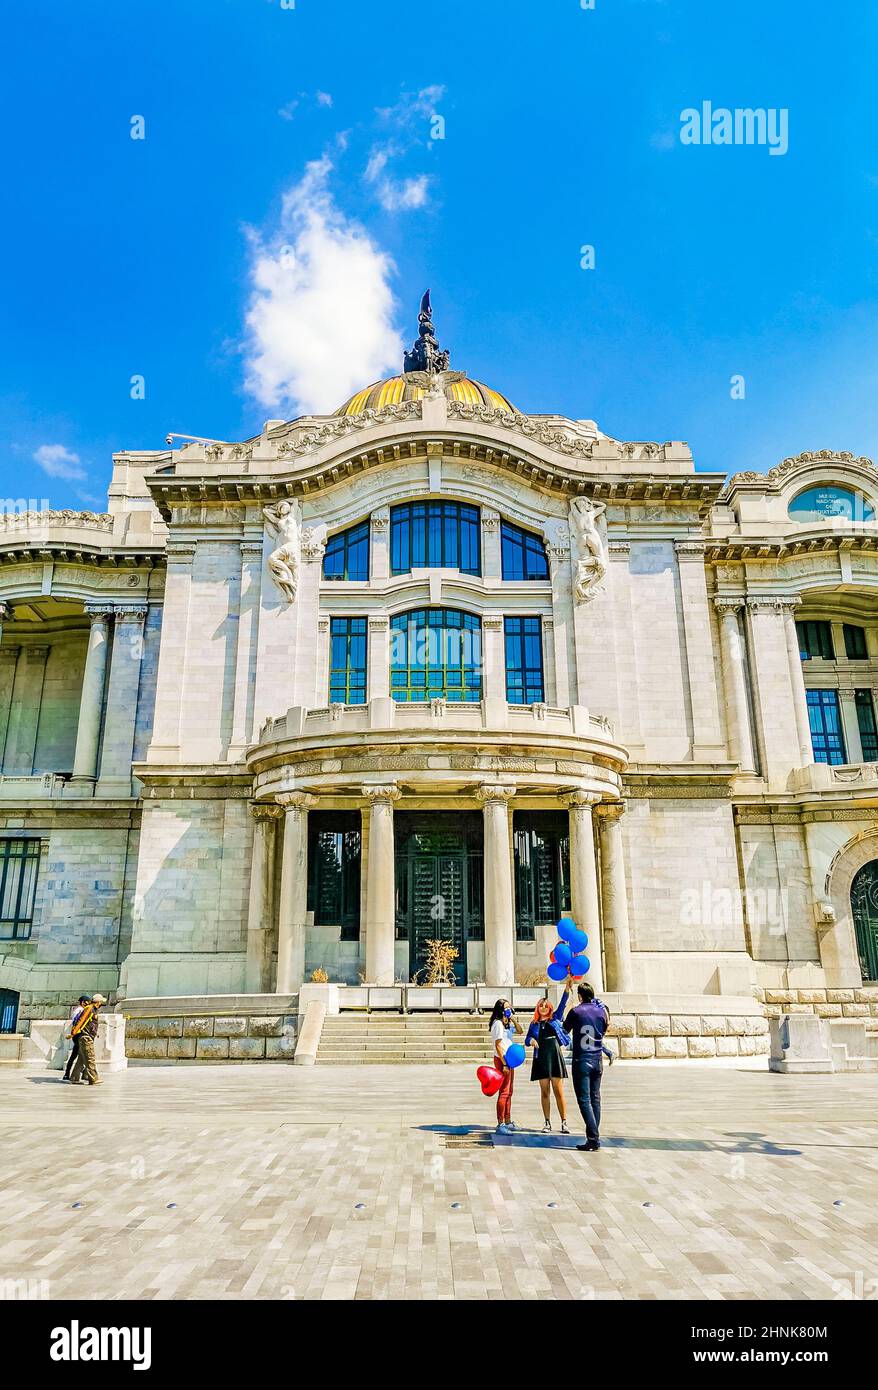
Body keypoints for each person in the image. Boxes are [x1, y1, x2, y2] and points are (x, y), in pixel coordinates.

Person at [564, 982, 610, 1151]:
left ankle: (593, 1137)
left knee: (584, 1100)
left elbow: (565, 1029)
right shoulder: (601, 1012)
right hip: (597, 1059)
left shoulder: (576, 1011)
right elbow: (605, 1028)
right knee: (595, 1098)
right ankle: (593, 1136)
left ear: (580, 996)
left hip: (581, 1059)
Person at [525, 976, 573, 1134]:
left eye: (545, 1006)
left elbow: (563, 1003)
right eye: (541, 1006)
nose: (543, 1008)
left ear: (550, 1008)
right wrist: (531, 1040)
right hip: (541, 1058)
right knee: (545, 1091)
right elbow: (527, 1038)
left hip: (554, 1056)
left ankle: (564, 1122)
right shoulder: (534, 1024)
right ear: (537, 1008)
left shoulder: (556, 1018)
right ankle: (547, 1122)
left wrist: (567, 987)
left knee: (558, 1091)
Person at [488, 998, 522, 1135]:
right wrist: (504, 1064)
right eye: (506, 1007)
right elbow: (498, 1044)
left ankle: (508, 1120)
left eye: (510, 1007)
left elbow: (520, 1031)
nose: (508, 1009)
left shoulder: (506, 1024)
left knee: (509, 1091)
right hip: (502, 1060)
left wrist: (512, 1018)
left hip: (510, 1059)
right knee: (504, 1092)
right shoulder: (497, 1024)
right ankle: (500, 1122)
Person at [69, 994, 106, 1086]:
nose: (101, 1004)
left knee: (81, 1059)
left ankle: (74, 1077)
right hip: (85, 1037)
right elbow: (81, 1020)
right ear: (98, 1002)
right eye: (101, 1002)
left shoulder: (93, 1010)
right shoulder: (89, 1008)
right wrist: (73, 1032)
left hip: (87, 1036)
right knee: (90, 1058)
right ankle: (93, 1078)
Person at [63, 996, 92, 1082]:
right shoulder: (79, 1010)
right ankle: (68, 1073)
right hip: (78, 1035)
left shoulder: (81, 1010)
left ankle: (81, 1073)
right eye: (87, 1002)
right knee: (77, 1055)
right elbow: (77, 1022)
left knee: (80, 1055)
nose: (88, 1004)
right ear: (83, 1002)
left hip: (78, 1035)